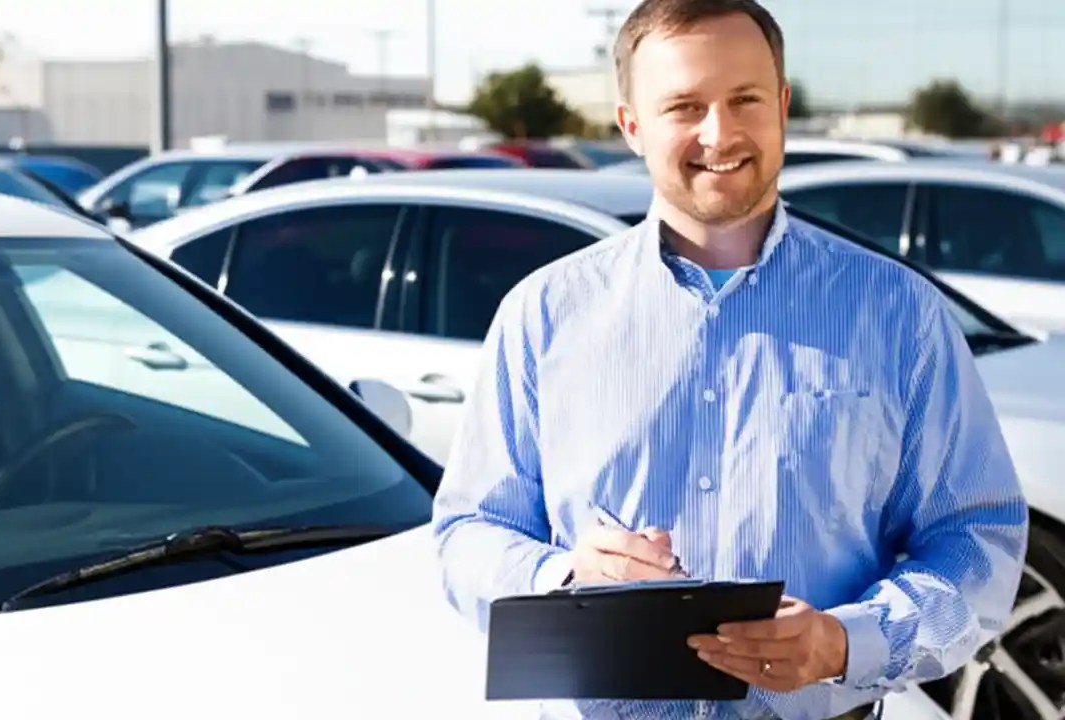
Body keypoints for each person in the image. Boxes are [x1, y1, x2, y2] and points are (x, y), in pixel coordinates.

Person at [430, 1, 1029, 718]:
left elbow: (975, 542)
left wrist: (845, 641)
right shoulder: (545, 315)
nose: (719, 133)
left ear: (780, 106)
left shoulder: (899, 314)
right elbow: (467, 533)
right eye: (684, 105)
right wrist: (563, 576)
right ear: (631, 126)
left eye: (744, 99)